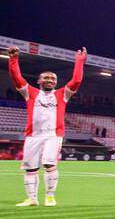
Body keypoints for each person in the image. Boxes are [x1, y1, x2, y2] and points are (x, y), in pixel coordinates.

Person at [6, 45, 85, 207]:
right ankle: (32, 198)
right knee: (30, 168)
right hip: (33, 135)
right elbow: (16, 78)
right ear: (39, 81)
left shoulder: (62, 94)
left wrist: (80, 62)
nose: (50, 80)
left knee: (49, 163)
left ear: (56, 82)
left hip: (53, 135)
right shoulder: (30, 92)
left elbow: (76, 81)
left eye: (53, 79)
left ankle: (50, 196)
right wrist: (13, 59)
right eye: (46, 78)